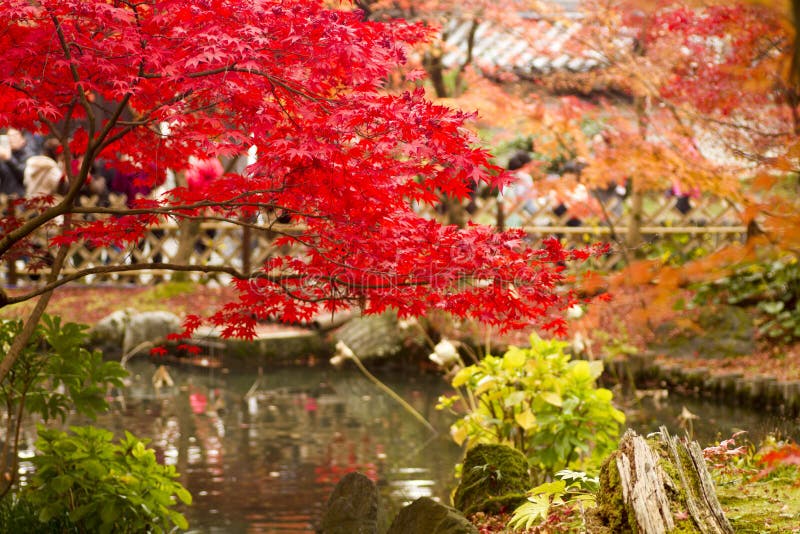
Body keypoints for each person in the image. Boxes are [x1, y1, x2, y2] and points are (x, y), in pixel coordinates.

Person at [0, 128, 37, 197]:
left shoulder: (29, 155)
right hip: (4, 197)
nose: (10, 139)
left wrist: (9, 159)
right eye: (8, 136)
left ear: (23, 139)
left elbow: (24, 175)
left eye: (14, 136)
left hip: (21, 198)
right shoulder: (5, 154)